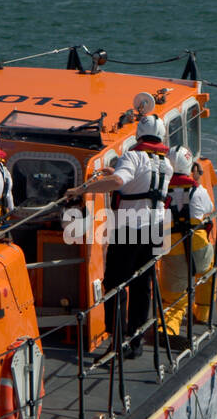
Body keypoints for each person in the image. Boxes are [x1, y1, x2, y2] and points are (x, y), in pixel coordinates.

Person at [63, 112, 171, 359]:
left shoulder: (133, 156)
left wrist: (82, 189)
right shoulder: (166, 163)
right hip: (155, 230)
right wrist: (119, 170)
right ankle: (136, 340)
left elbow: (117, 182)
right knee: (143, 285)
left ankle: (116, 341)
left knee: (115, 284)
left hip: (129, 229)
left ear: (138, 135)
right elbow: (142, 183)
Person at [160, 147, 214, 342]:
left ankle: (167, 329)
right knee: (206, 273)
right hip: (197, 242)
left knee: (173, 292)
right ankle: (203, 313)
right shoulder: (198, 191)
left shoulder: (161, 190)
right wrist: (197, 180)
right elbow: (209, 208)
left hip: (172, 245)